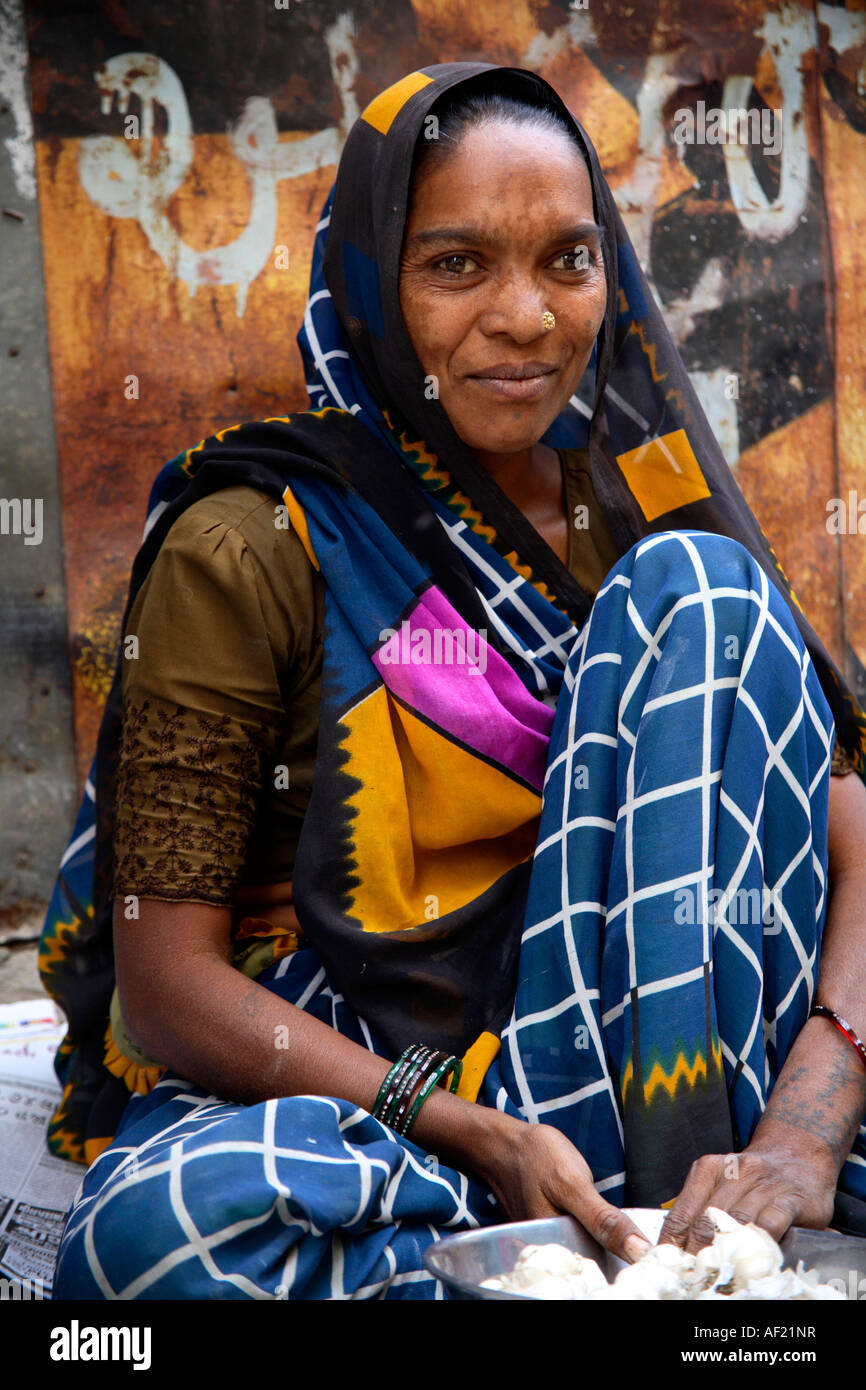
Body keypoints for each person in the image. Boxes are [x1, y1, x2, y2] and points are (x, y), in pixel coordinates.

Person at [42, 61, 866, 1301]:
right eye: (457, 264)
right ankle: (604, 1257)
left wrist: (807, 1119)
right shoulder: (256, 538)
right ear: (373, 279)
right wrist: (467, 1125)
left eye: (567, 260)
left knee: (697, 591)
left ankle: (693, 1239)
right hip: (383, 1097)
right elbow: (166, 984)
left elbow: (852, 830)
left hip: (694, 1095)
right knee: (155, 1239)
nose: (525, 317)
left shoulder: (638, 512)